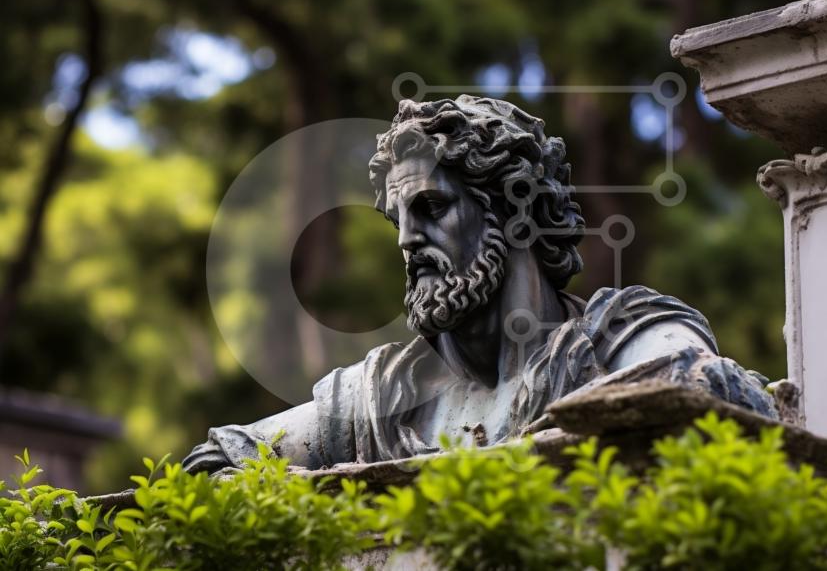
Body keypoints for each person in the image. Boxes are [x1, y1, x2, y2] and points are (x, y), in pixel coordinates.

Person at [183, 95, 775, 474]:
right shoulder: (382, 397)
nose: (405, 242)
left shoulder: (619, 337)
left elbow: (709, 395)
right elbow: (214, 462)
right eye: (399, 220)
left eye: (432, 209)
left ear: (515, 210)